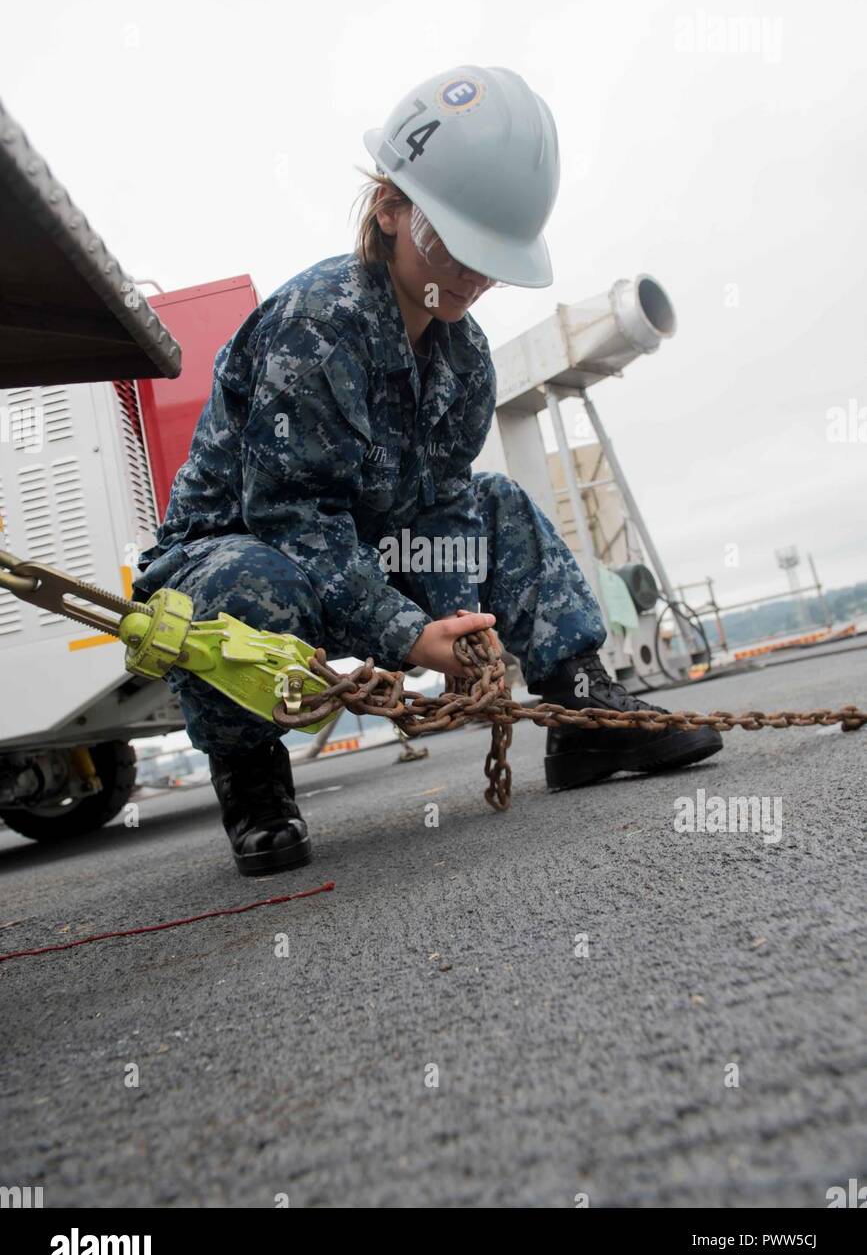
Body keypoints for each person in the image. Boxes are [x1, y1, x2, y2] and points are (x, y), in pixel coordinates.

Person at [134, 64, 722, 876]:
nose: (476, 274)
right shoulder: (318, 323)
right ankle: (251, 775)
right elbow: (294, 519)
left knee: (497, 505)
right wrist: (409, 635)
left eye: (492, 254)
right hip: (241, 553)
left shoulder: (462, 356)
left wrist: (457, 631)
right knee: (248, 579)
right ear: (388, 208)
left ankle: (581, 713)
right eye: (456, 241)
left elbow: (443, 503)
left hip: (369, 551)